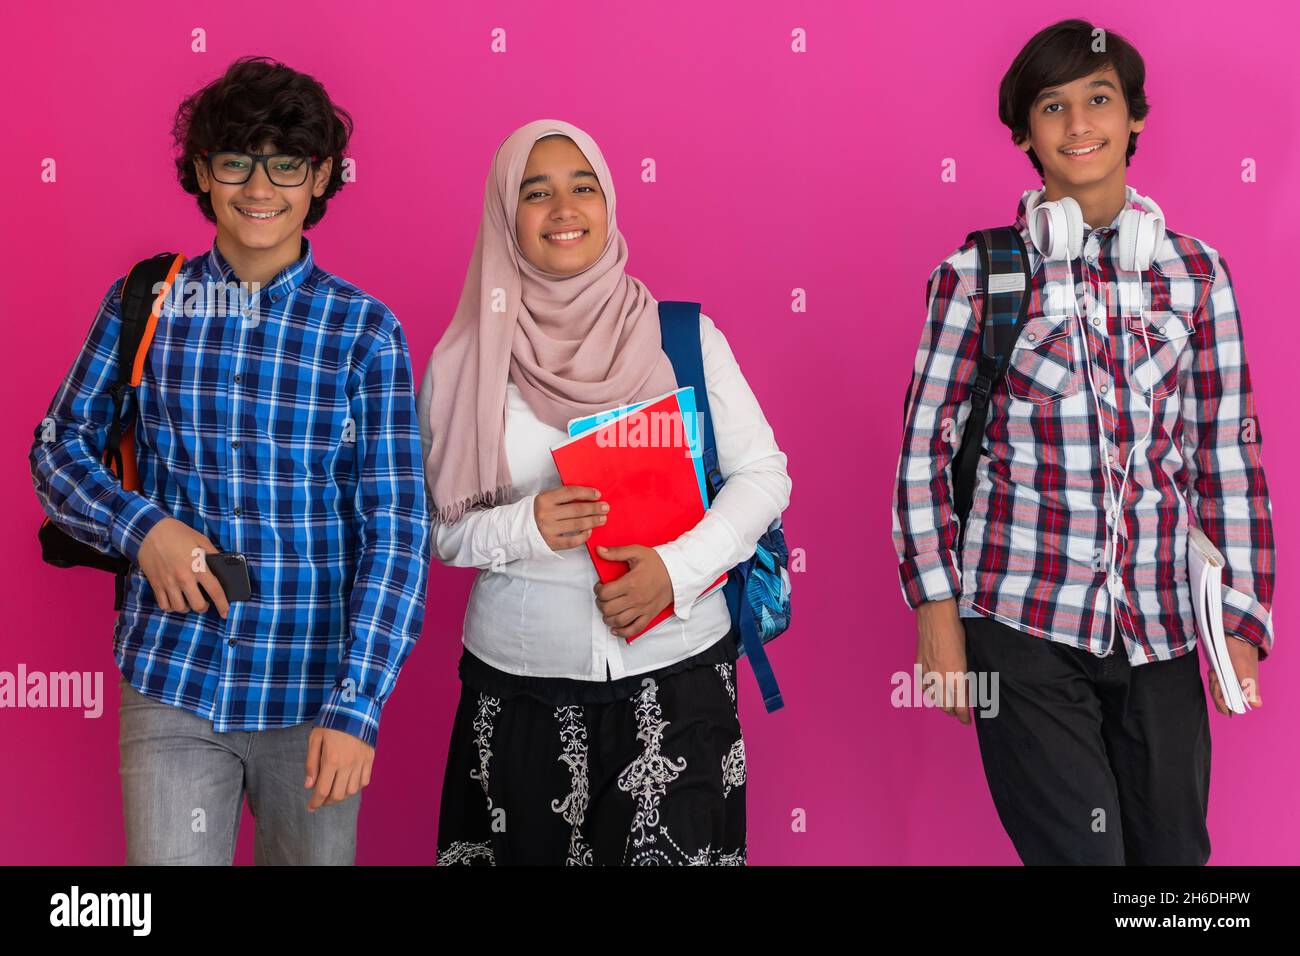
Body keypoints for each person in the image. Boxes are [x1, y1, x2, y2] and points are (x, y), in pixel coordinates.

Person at [29, 56, 431, 865]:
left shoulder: (364, 332)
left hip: (314, 698)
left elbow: (395, 532)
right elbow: (57, 447)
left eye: (287, 163)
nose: (260, 185)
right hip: (173, 686)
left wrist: (359, 705)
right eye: (235, 160)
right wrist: (144, 530)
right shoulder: (145, 303)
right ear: (203, 174)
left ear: (319, 178)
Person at [891, 20, 1275, 865]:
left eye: (1098, 100)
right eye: (1052, 107)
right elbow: (923, 451)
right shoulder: (976, 277)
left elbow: (1228, 456)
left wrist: (1241, 621)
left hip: (1165, 626)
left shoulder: (1198, 275)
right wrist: (936, 614)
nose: (1078, 124)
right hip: (1023, 620)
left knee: (1173, 860)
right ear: (1025, 134)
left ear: (1134, 118)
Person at [419, 119, 791, 865]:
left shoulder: (681, 336)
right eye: (537, 192)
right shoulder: (465, 359)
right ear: (505, 215)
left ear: (609, 203)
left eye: (582, 187)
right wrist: (525, 525)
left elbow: (764, 476)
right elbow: (435, 529)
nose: (564, 209)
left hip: (678, 676)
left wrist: (676, 572)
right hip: (519, 689)